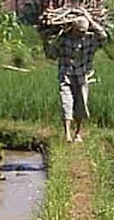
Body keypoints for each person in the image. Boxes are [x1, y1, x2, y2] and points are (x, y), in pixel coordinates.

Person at [45, 14, 106, 143]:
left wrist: (90, 19)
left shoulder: (90, 39)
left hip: (82, 76)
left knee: (81, 104)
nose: (81, 34)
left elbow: (103, 36)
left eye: (83, 31)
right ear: (72, 29)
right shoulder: (63, 39)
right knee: (66, 103)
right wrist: (52, 41)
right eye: (78, 31)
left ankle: (78, 133)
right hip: (66, 75)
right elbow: (51, 54)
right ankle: (67, 133)